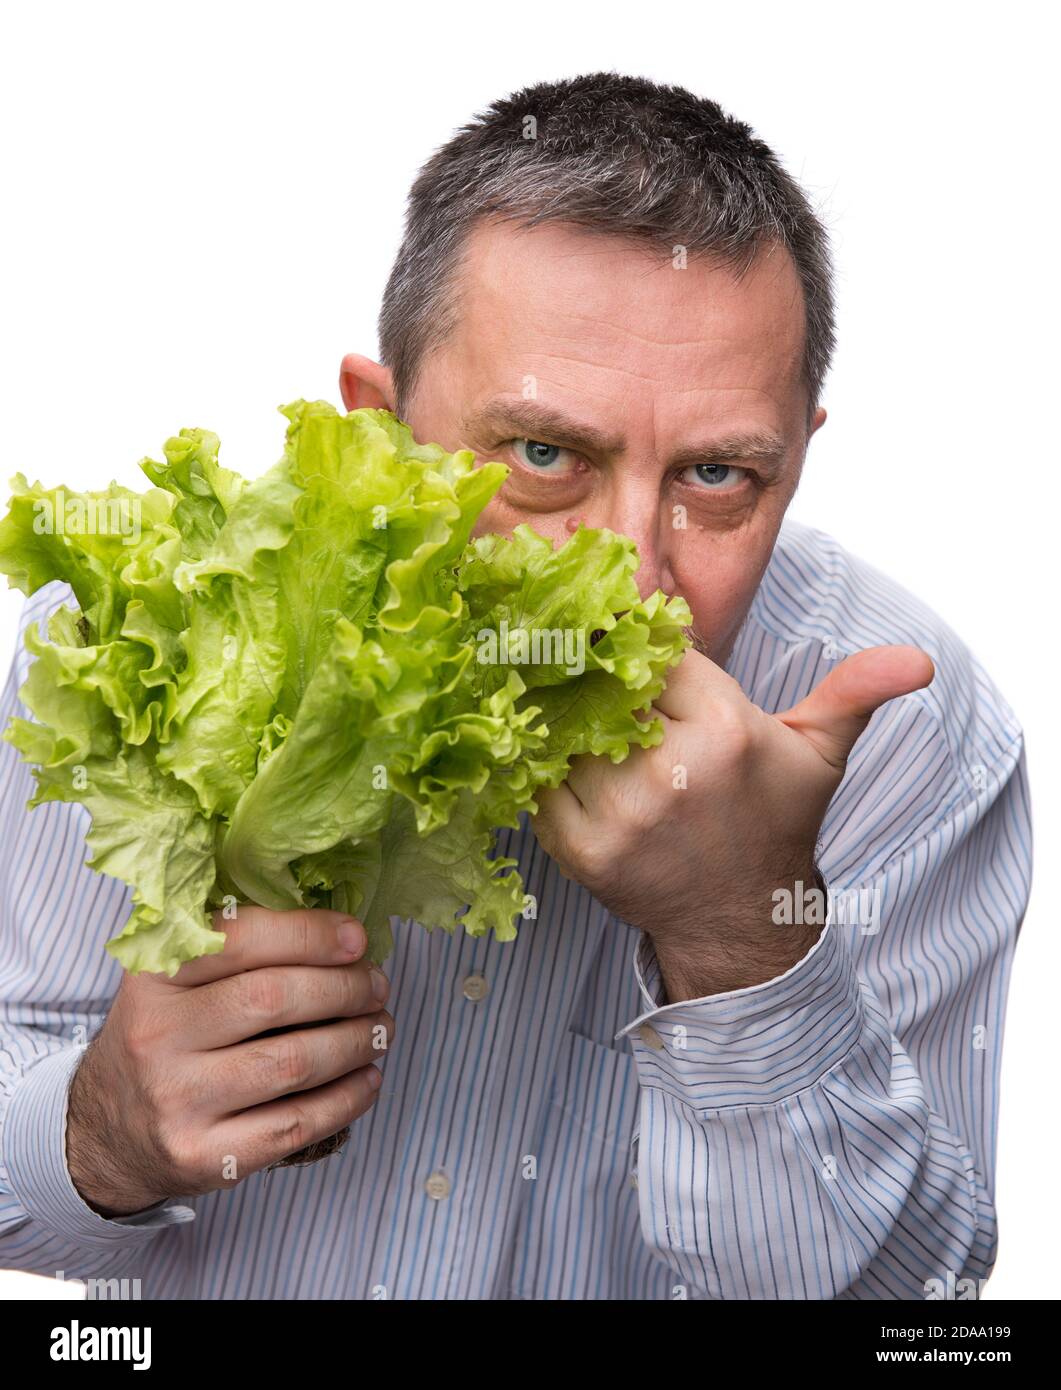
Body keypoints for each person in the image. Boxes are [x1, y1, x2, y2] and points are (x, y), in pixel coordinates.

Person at [0, 73, 1031, 1300]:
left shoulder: (909, 732)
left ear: (797, 457)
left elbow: (914, 1312)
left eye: (716, 476)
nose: (632, 586)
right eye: (543, 456)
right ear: (381, 429)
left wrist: (742, 940)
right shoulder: (149, 633)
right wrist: (98, 1131)